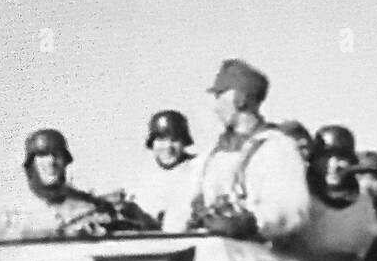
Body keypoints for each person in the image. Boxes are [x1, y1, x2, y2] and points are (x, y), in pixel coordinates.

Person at [179, 59, 309, 239]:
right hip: (212, 254)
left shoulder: (276, 148)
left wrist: (249, 222)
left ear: (239, 99)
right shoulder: (209, 157)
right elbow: (185, 208)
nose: (215, 108)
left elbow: (292, 209)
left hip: (263, 257)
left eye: (219, 96)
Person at [13, 128, 102, 232]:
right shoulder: (22, 212)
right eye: (43, 155)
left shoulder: (80, 201)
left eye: (57, 155)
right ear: (30, 164)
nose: (51, 162)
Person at [129, 110, 197, 230]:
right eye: (161, 140)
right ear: (152, 143)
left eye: (175, 140)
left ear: (184, 142)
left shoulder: (199, 170)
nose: (168, 147)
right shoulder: (140, 181)